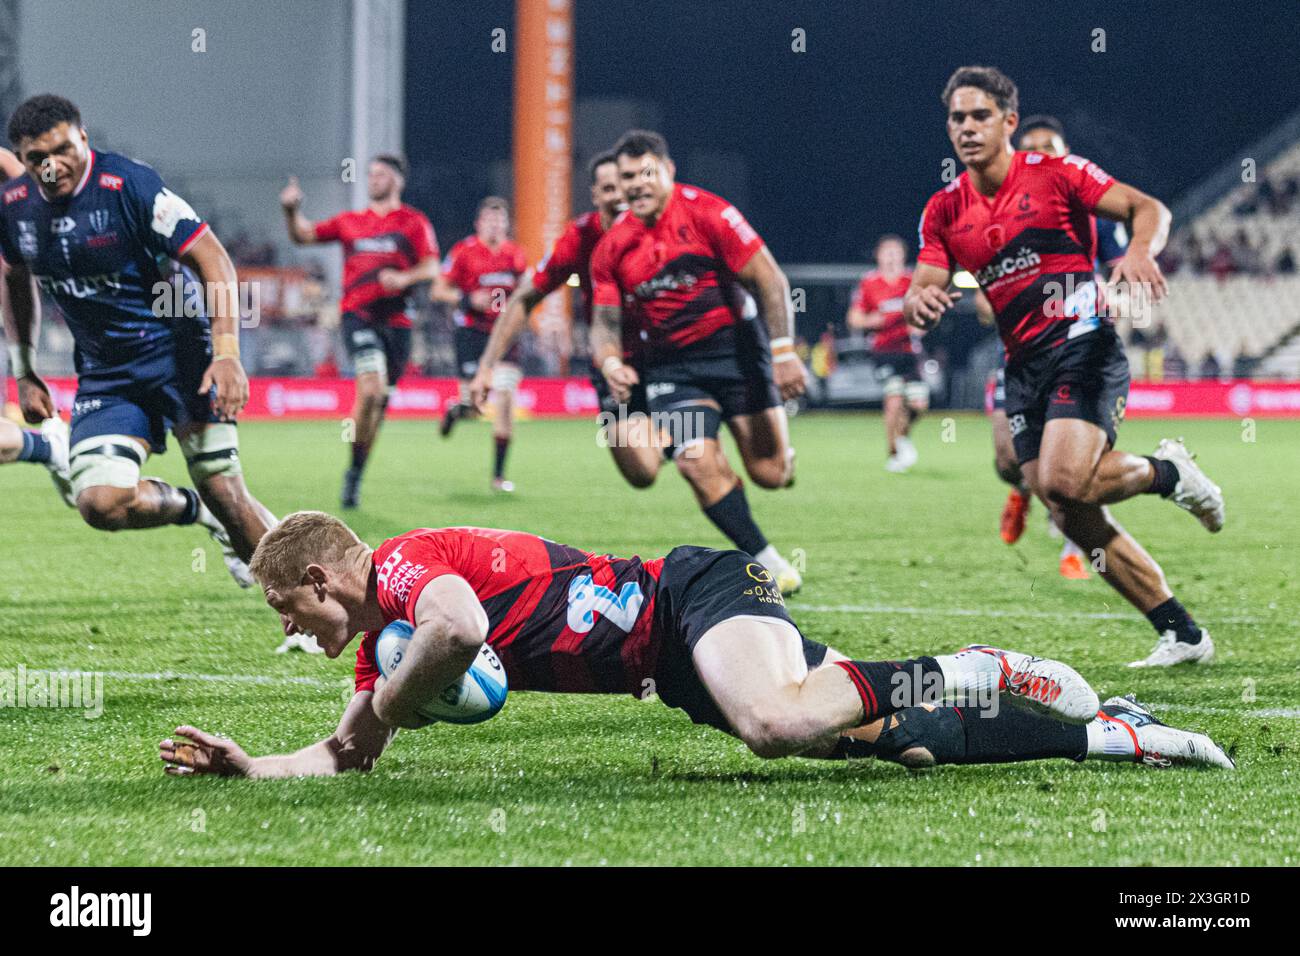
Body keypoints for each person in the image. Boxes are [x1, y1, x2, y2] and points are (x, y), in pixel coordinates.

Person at [157, 510, 1232, 778]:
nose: (292, 630)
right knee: (889, 746)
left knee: (774, 725)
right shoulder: (379, 645)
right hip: (670, 665)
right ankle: (1108, 740)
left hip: (691, 590)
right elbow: (347, 752)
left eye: (288, 612)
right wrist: (255, 763)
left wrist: (394, 700)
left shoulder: (398, 569)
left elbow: (462, 627)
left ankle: (976, 660)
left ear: (316, 577)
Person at [904, 66, 1224, 668]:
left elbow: (1146, 207)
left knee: (1061, 482)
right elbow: (924, 281)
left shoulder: (1057, 174)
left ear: (1008, 122)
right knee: (1066, 508)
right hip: (1023, 365)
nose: (967, 128)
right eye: (956, 118)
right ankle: (1182, 632)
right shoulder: (943, 210)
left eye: (979, 116)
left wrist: (1135, 249)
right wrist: (917, 302)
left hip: (1083, 344)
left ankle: (1168, 473)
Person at [1, 94, 275, 588]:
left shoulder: (130, 185)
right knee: (99, 502)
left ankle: (318, 606)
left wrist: (228, 352)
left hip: (179, 352)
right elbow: (14, 280)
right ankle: (198, 510)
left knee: (228, 497)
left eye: (63, 149)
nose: (51, 166)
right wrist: (24, 370)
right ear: (20, 161)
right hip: (107, 372)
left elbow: (212, 260)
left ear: (83, 138)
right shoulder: (15, 209)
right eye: (36, 158)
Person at [588, 130, 806, 594]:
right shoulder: (612, 247)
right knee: (695, 460)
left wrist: (785, 351)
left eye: (647, 173)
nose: (637, 185)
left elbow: (770, 279)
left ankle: (777, 459)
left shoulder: (710, 213)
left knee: (771, 473)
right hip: (674, 369)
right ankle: (767, 560)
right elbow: (604, 325)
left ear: (668, 171)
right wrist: (610, 365)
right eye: (627, 177)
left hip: (738, 351)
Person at [986, 114, 1129, 580]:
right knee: (1009, 459)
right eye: (1033, 150)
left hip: (1078, 347)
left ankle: (1074, 545)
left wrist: (1118, 292)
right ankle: (1023, 491)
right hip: (1021, 354)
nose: (1042, 158)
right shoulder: (1001, 215)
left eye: (1051, 149)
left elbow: (1124, 270)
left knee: (1068, 467)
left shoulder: (1092, 210)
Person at [468, 151, 659, 487]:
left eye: (626, 185)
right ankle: (675, 438)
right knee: (640, 471)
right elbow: (524, 299)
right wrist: (487, 366)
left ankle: (689, 435)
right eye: (609, 188)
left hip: (667, 353)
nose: (620, 195)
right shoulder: (579, 238)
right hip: (611, 358)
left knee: (708, 458)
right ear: (596, 194)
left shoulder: (660, 228)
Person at [279, 155, 440, 510]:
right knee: (369, 389)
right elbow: (304, 236)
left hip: (397, 323)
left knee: (378, 405)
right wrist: (291, 211)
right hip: (358, 316)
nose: (374, 179)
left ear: (398, 181)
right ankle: (352, 475)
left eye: (382, 174)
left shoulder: (413, 223)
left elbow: (431, 265)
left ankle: (356, 470)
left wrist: (404, 278)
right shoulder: (351, 221)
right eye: (371, 174)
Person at [432, 197, 528, 492]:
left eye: (500, 221)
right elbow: (438, 290)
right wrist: (466, 299)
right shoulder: (464, 252)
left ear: (507, 225)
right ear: (479, 224)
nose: (495, 226)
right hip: (472, 335)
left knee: (505, 398)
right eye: (490, 220)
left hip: (504, 335)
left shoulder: (516, 255)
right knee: (476, 406)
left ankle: (498, 477)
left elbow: (527, 290)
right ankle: (456, 411)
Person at [847, 234, 927, 472]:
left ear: (903, 255)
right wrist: (875, 319)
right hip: (883, 352)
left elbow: (925, 311)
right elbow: (854, 318)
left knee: (918, 404)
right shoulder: (869, 283)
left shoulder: (912, 280)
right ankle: (893, 453)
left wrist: (921, 324)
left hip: (909, 351)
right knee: (893, 401)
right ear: (878, 256)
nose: (891, 257)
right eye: (886, 252)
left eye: (896, 252)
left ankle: (902, 438)